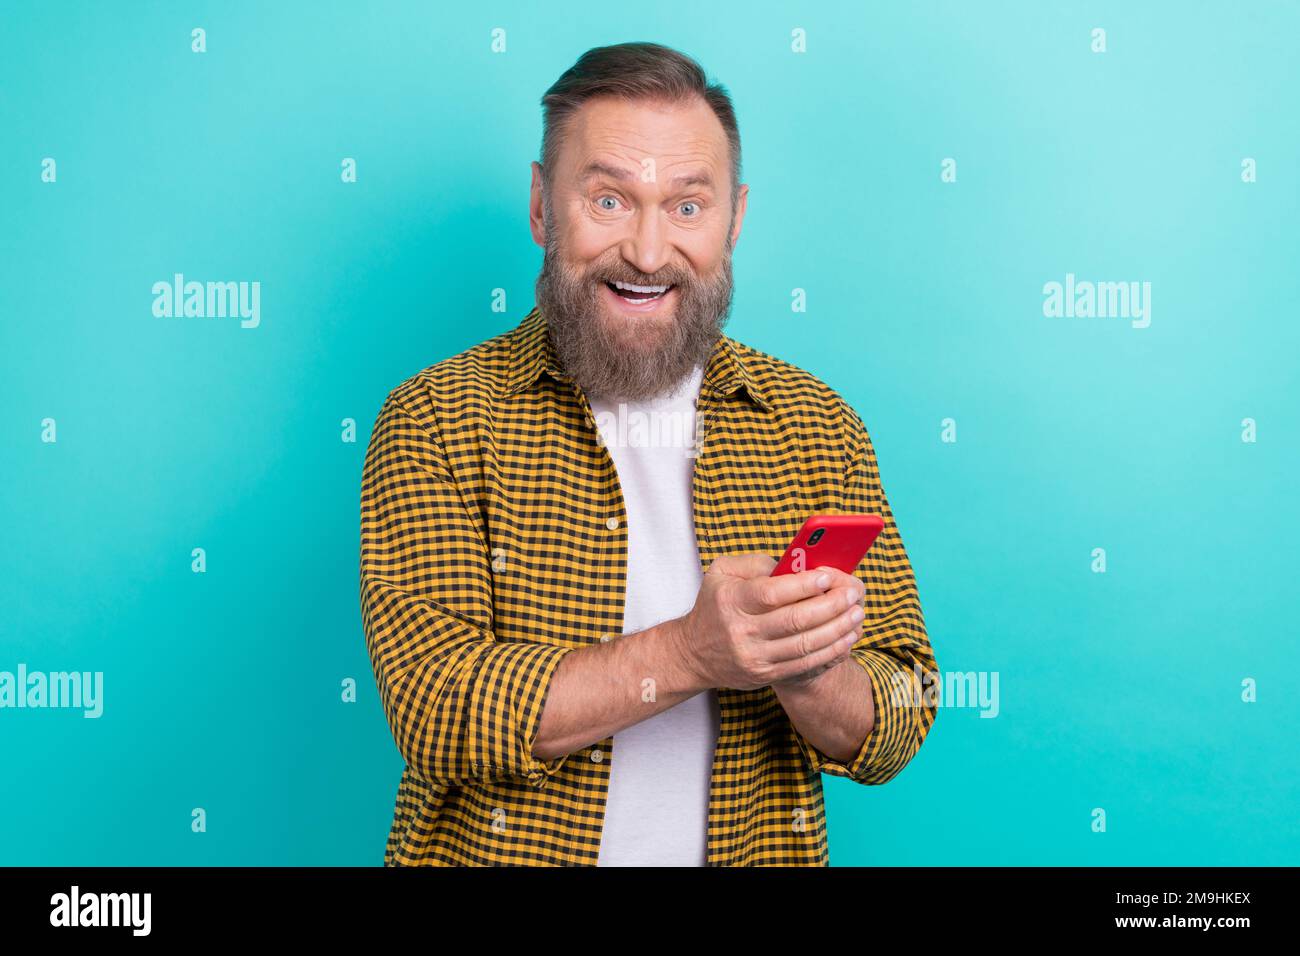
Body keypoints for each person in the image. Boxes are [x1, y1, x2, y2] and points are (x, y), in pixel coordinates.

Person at [360, 41, 937, 866]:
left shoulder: (817, 425)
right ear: (540, 207)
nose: (648, 251)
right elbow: (437, 707)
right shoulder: (439, 418)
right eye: (608, 200)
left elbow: (905, 706)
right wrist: (693, 651)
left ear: (734, 220)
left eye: (686, 208)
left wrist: (810, 674)